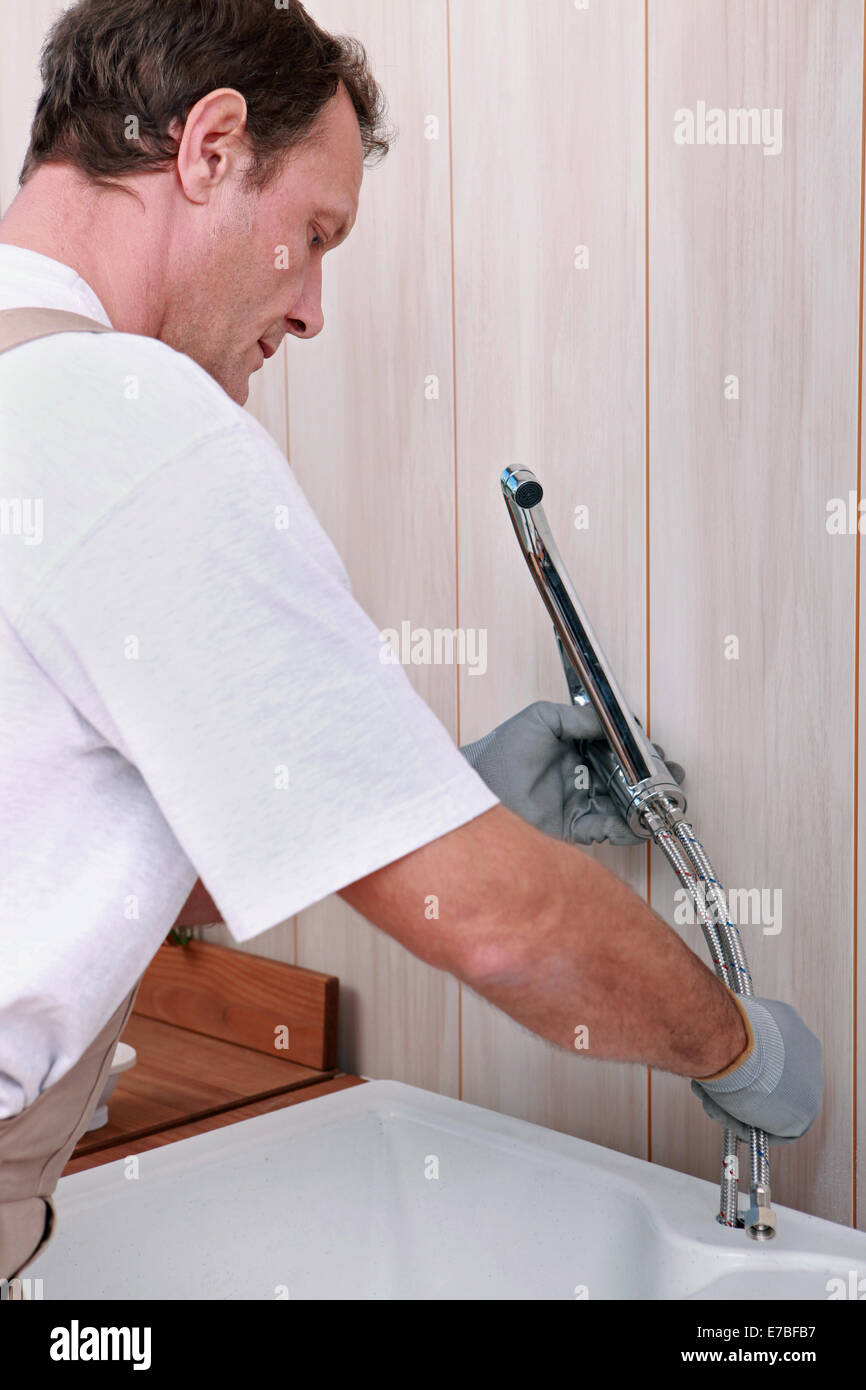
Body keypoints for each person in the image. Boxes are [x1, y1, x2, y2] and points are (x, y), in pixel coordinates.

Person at [0, 0, 820, 1281]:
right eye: (312, 235)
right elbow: (497, 928)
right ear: (208, 148)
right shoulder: (131, 417)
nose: (314, 308)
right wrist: (738, 1048)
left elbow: (65, 821)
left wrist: (432, 790)